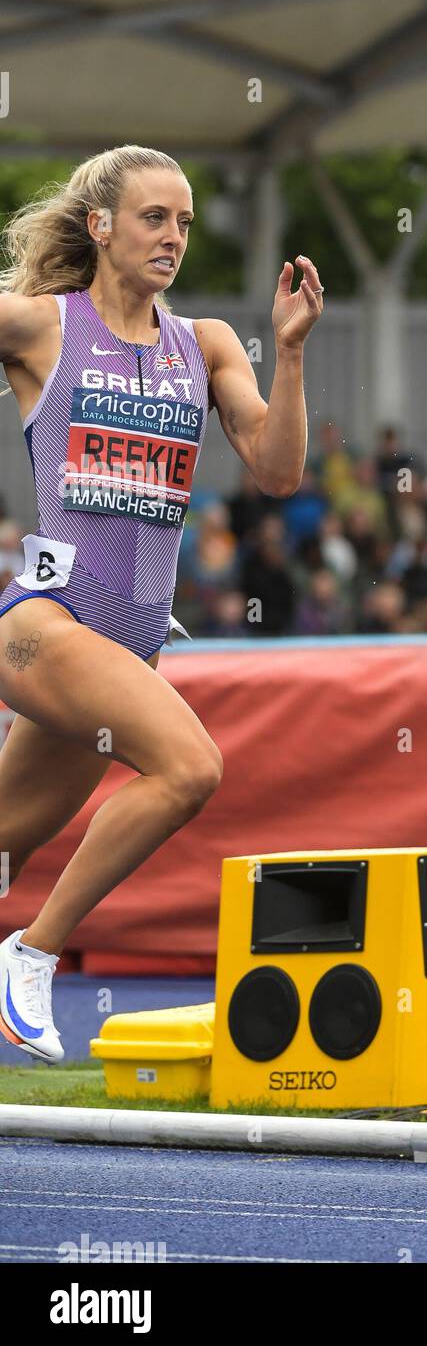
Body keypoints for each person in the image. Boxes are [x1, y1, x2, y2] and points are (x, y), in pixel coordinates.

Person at [0, 144, 322, 1061]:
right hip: (43, 628)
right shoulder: (38, 327)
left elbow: (278, 469)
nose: (173, 236)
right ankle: (31, 953)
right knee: (190, 770)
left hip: (129, 645)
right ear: (100, 227)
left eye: (184, 220)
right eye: (153, 218)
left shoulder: (207, 344)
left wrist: (290, 353)